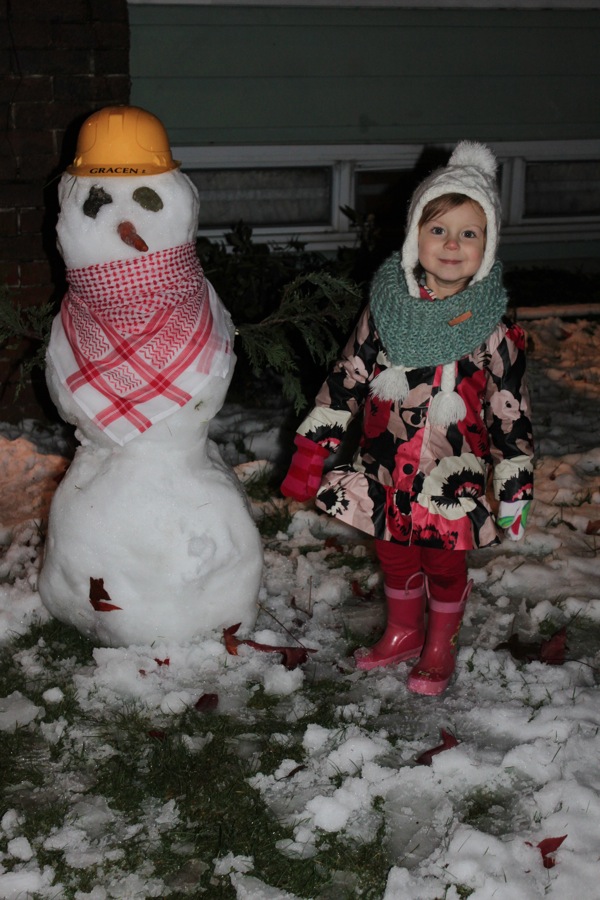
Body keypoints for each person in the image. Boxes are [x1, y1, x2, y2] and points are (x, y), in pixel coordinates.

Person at [281, 141, 534, 696]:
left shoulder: (495, 331)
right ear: (415, 235)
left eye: (470, 233)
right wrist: (314, 447)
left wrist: (514, 475)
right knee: (394, 554)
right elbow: (349, 374)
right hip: (386, 463)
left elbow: (509, 409)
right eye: (438, 229)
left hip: (452, 474)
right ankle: (402, 631)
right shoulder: (386, 309)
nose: (452, 245)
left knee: (442, 562)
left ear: (489, 245)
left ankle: (439, 642)